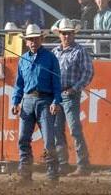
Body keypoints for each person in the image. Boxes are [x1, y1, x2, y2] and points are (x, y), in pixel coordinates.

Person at [11, 24, 62, 185]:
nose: (33, 42)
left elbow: (56, 81)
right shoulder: (23, 59)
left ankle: (52, 176)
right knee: (23, 139)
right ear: (26, 41)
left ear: (41, 39)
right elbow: (19, 84)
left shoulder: (50, 58)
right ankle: (25, 175)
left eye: (35, 39)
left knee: (48, 140)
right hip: (27, 101)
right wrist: (15, 101)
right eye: (30, 39)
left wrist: (56, 100)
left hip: (45, 101)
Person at [51, 18, 94, 177]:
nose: (66, 36)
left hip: (70, 95)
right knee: (57, 129)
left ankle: (83, 164)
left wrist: (74, 88)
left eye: (69, 33)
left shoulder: (79, 51)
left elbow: (88, 72)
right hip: (57, 95)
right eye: (64, 33)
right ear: (60, 34)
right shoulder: (55, 52)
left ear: (73, 34)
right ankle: (63, 164)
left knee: (74, 129)